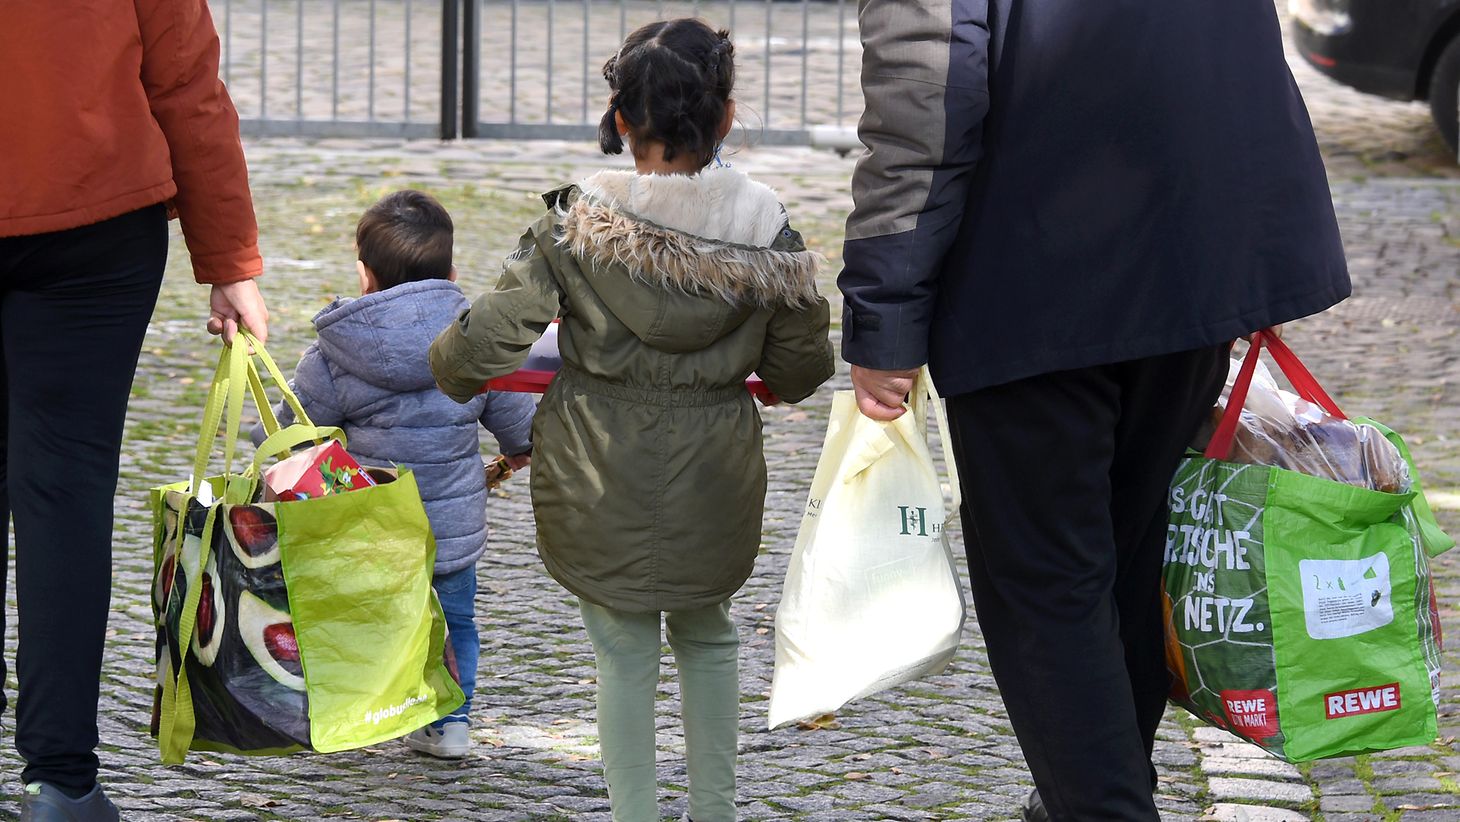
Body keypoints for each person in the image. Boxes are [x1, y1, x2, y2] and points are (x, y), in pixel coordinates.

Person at [839, 2, 1350, 820]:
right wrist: (1252, 250)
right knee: (1123, 568)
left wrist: (884, 309)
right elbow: (1243, 50)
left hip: (1029, 289)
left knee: (1054, 592)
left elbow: (923, 100)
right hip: (1185, 265)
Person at [429, 19, 835, 821]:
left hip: (596, 460)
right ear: (723, 116)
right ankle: (713, 812)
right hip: (714, 461)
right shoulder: (767, 229)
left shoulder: (574, 223)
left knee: (620, 652)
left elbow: (483, 343)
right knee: (708, 633)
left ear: (622, 119)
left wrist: (448, 364)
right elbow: (799, 367)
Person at [0, 1, 268, 819]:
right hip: (94, 217)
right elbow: (185, 80)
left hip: (92, 221)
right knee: (66, 495)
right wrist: (228, 258)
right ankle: (63, 782)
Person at [250, 190, 536, 759]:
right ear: (451, 271)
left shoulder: (333, 355)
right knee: (454, 624)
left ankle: (359, 710)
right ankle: (450, 724)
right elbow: (522, 429)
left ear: (364, 275)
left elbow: (290, 438)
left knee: (362, 619)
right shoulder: (476, 344)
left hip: (366, 527)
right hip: (449, 529)